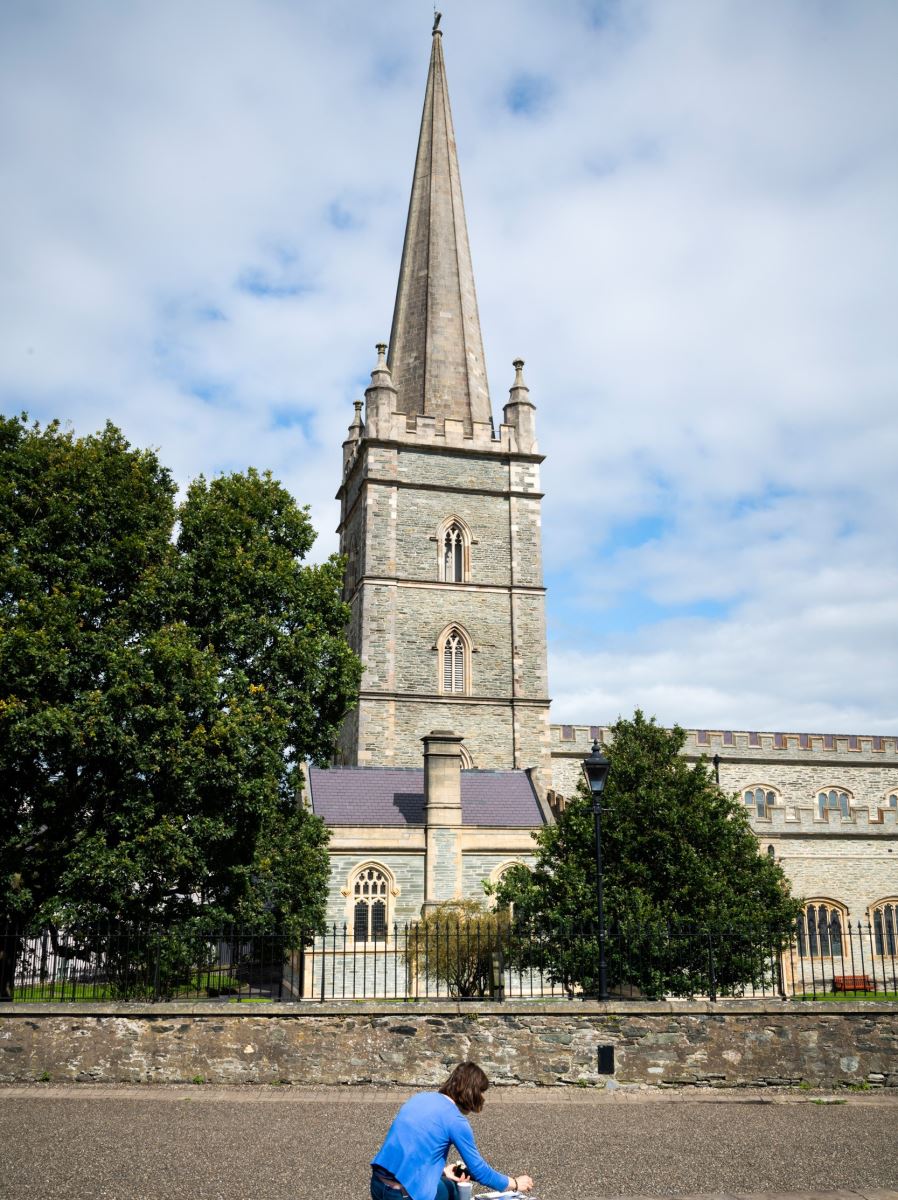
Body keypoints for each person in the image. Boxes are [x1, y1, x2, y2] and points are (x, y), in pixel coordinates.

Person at [371, 1061, 534, 1200]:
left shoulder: (420, 1098)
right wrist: (515, 1183)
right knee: (454, 1192)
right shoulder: (456, 1121)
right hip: (403, 1194)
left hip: (378, 1185)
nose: (482, 1098)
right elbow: (480, 1172)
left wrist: (442, 1171)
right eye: (481, 1093)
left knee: (448, 1185)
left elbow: (411, 1150)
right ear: (472, 1093)